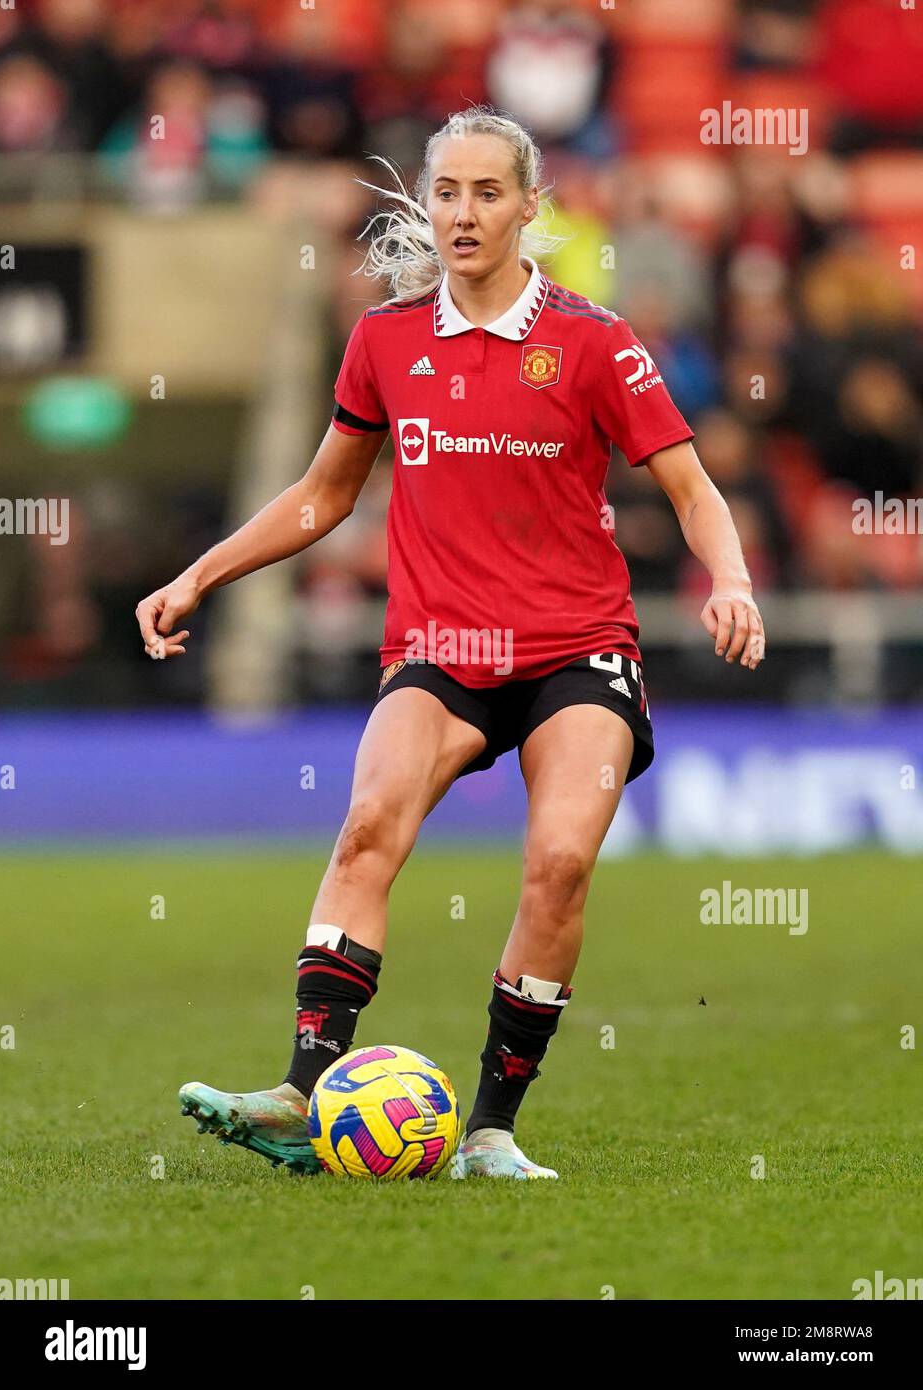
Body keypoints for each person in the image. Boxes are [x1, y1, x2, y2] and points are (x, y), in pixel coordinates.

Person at [135, 105, 765, 1180]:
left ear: (530, 207)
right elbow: (322, 496)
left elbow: (691, 486)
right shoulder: (384, 340)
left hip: (577, 649)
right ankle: (301, 1085)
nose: (464, 213)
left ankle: (488, 1132)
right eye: (447, 192)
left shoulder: (595, 341)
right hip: (438, 645)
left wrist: (734, 579)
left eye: (487, 193)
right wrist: (200, 573)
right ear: (425, 205)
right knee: (369, 819)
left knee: (560, 863)